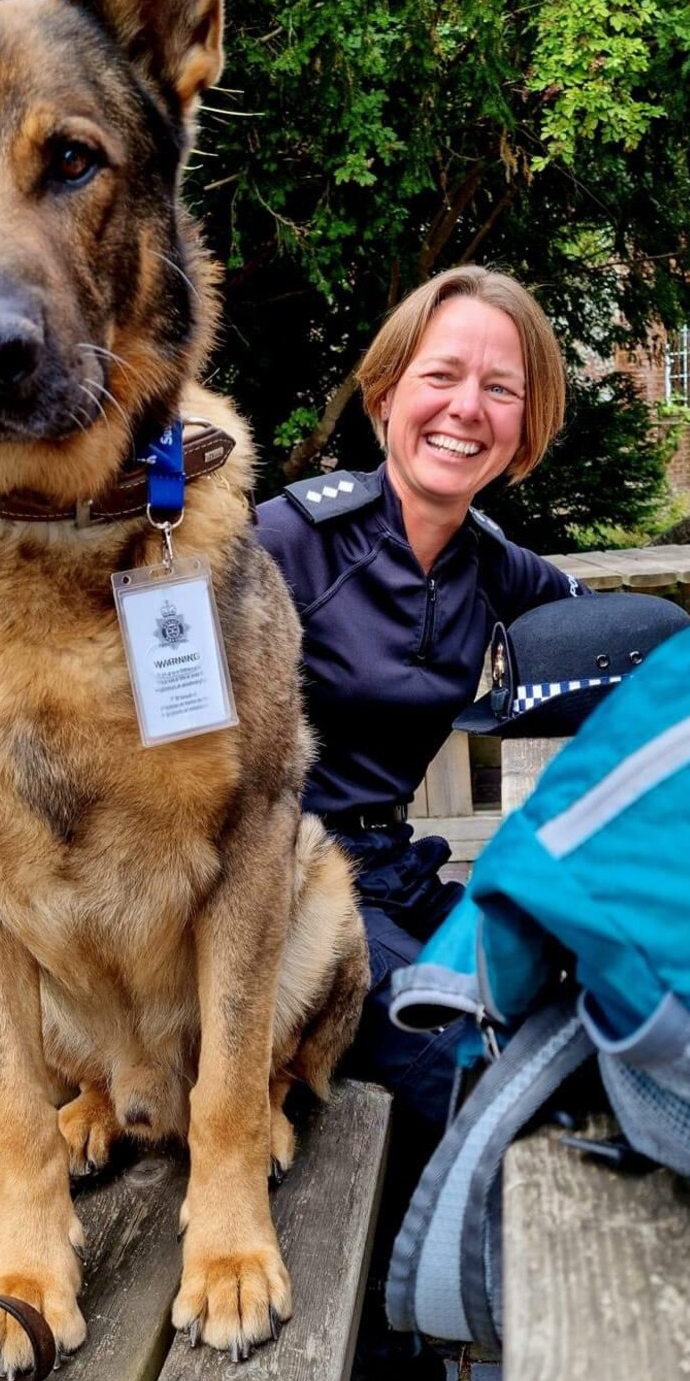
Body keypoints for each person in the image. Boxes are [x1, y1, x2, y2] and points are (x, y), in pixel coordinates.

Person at [257, 265, 588, 1157]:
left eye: (501, 388)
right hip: (284, 890)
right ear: (387, 388)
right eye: (441, 375)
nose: (466, 408)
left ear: (526, 426)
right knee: (472, 1056)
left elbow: (615, 634)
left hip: (395, 873)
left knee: (566, 1004)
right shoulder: (291, 540)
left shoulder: (495, 565)